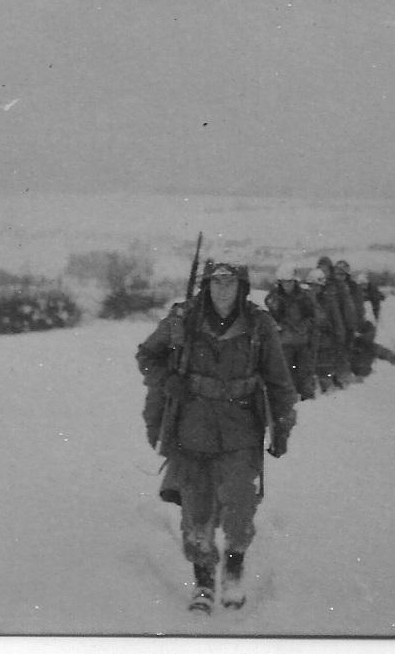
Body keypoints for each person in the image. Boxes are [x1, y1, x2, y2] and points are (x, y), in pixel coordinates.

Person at [136, 260, 298, 614]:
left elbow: (280, 381)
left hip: (242, 429)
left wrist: (283, 426)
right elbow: (147, 355)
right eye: (216, 281)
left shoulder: (259, 326)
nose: (223, 288)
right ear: (207, 284)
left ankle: (234, 571)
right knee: (197, 510)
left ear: (242, 286)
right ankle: (204, 583)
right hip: (191, 429)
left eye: (230, 281)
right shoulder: (184, 320)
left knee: (240, 504)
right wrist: (168, 381)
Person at [265, 263, 318, 401]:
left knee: (305, 373)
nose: (287, 285)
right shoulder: (274, 297)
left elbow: (312, 317)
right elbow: (269, 316)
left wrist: (304, 326)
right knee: (286, 373)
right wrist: (277, 325)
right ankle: (289, 400)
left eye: (289, 281)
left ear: (295, 281)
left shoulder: (304, 297)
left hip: (302, 341)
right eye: (284, 282)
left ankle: (309, 401)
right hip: (284, 342)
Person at [305, 266, 348, 391]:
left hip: (325, 342)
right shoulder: (303, 300)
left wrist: (339, 340)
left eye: (317, 286)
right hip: (308, 342)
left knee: (325, 372)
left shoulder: (329, 301)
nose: (314, 289)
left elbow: (337, 323)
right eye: (311, 285)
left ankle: (329, 394)